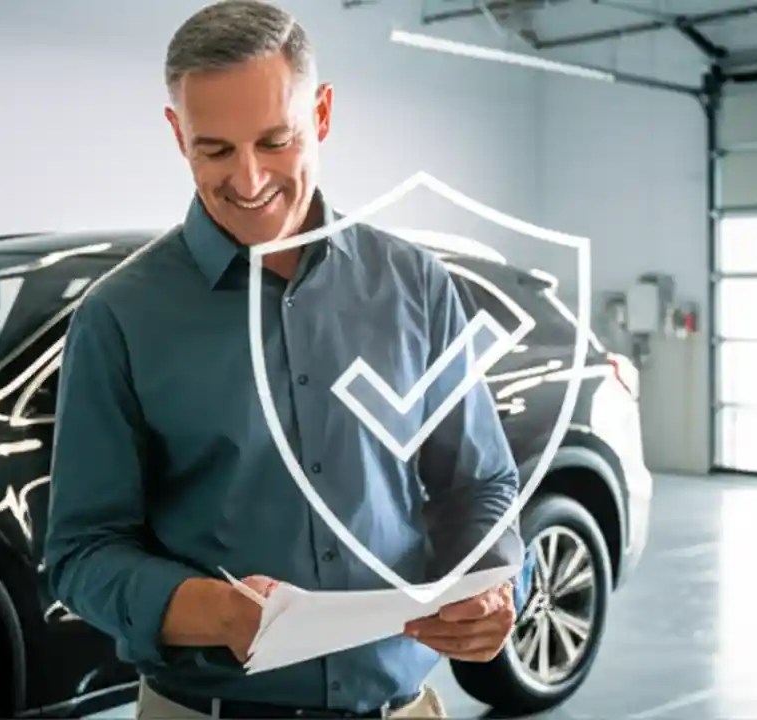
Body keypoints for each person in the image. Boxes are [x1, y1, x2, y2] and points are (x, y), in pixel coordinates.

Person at [43, 1, 525, 717]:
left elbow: (477, 481)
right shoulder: (120, 316)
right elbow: (83, 554)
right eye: (215, 150)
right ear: (177, 134)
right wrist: (213, 612)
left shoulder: (415, 286)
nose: (248, 180)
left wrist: (490, 578)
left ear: (322, 114)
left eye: (276, 141)